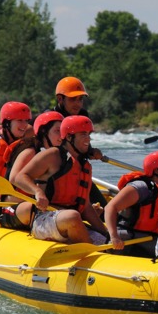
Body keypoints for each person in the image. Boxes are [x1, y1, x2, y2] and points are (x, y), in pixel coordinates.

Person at [14, 115, 109, 244]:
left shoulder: (84, 165)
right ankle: (89, 251)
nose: (88, 139)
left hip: (69, 219)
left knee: (107, 239)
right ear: (69, 137)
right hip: (43, 218)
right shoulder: (53, 155)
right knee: (72, 216)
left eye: (88, 134)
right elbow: (20, 177)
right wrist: (38, 192)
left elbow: (85, 206)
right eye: (83, 134)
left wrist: (106, 233)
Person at [0, 111, 64, 223]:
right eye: (57, 131)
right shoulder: (30, 151)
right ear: (44, 131)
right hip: (9, 204)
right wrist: (37, 192)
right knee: (32, 209)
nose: (62, 136)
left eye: (63, 131)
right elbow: (14, 178)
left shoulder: (59, 156)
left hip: (34, 203)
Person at [104, 150, 158, 257]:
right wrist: (114, 236)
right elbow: (110, 207)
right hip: (126, 239)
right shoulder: (141, 188)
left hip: (149, 238)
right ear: (157, 171)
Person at [52, 76, 108, 212]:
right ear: (60, 99)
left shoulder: (83, 115)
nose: (77, 103)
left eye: (80, 99)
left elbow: (81, 144)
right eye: (72, 99)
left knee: (105, 210)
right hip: (56, 175)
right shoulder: (51, 119)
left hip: (79, 171)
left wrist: (91, 151)